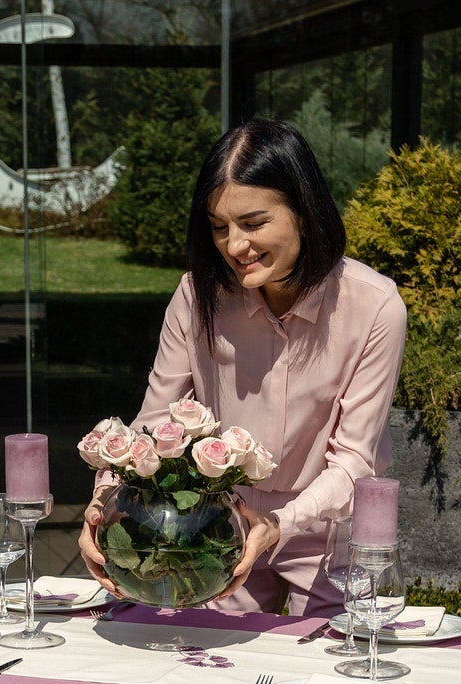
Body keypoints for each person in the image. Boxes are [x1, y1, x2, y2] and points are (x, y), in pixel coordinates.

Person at [78, 119, 407, 615]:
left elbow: (354, 460)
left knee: (337, 666)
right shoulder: (197, 296)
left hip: (330, 530)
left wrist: (280, 522)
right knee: (199, 662)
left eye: (254, 223)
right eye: (218, 227)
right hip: (216, 522)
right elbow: (150, 426)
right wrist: (104, 504)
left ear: (304, 209)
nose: (234, 246)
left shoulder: (375, 306)